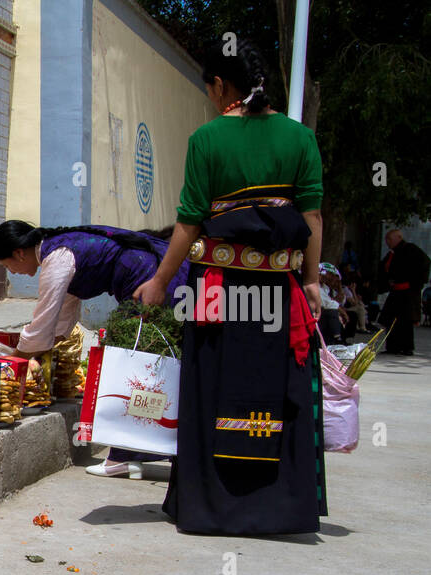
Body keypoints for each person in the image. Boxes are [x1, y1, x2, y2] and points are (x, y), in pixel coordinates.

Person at [132, 38, 327, 536]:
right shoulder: (299, 137)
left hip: (217, 290)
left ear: (221, 86)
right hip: (278, 292)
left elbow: (189, 223)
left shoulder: (208, 138)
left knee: (212, 386)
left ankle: (209, 505)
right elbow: (311, 217)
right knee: (274, 390)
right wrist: (310, 283)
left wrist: (158, 281)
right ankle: (278, 508)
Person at [0, 220, 190, 478]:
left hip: (144, 279)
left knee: (132, 363)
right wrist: (33, 350)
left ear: (19, 253)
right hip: (143, 274)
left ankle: (126, 456)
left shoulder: (56, 259)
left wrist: (15, 358)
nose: (12, 273)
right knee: (149, 365)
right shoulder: (61, 251)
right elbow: (60, 321)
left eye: (7, 266)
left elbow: (42, 324)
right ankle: (151, 449)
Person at [376, 228, 430, 354]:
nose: (387, 241)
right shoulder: (392, 253)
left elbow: (425, 263)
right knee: (391, 320)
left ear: (399, 238)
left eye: (389, 239)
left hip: (408, 292)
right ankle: (392, 347)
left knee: (405, 322)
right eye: (386, 239)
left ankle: (407, 348)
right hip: (396, 291)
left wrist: (415, 283)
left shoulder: (411, 249)